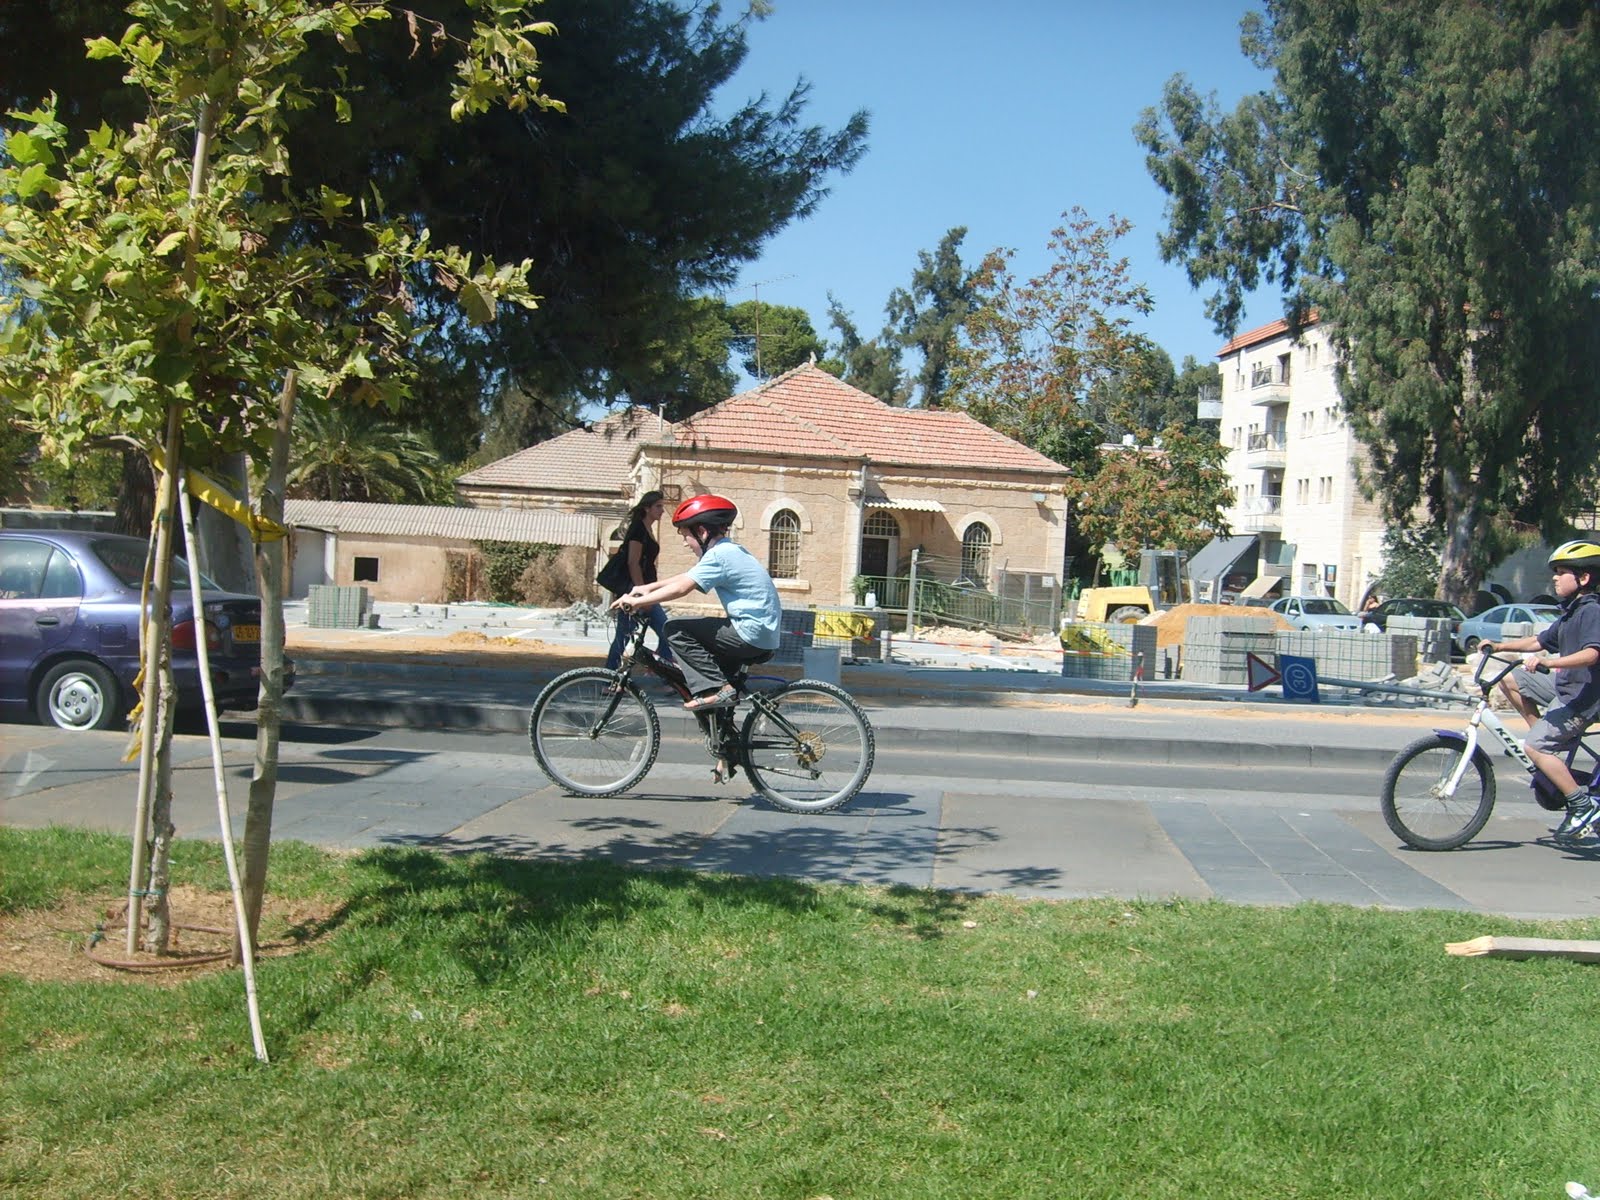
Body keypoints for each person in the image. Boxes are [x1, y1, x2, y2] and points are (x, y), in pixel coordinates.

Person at [611, 494, 781, 711]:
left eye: (685, 536)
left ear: (702, 532)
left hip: (749, 633)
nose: (684, 544)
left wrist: (639, 602)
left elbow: (682, 588)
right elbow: (687, 577)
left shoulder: (719, 555)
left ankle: (719, 689)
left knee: (675, 628)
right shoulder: (728, 550)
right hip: (761, 635)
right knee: (714, 695)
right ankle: (724, 732)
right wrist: (647, 588)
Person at [1483, 540, 1600, 843]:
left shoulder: (1592, 611)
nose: (1554, 578)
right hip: (1565, 688)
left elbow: (1592, 654)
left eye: (1561, 572)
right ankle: (1546, 741)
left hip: (1584, 698)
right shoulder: (1571, 612)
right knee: (1508, 678)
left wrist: (1551, 661)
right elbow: (1538, 641)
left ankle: (1581, 805)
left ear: (1584, 578)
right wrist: (1499, 646)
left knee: (1534, 747)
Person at [604, 491, 673, 670]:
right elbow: (633, 563)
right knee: (625, 637)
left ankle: (663, 672)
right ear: (647, 508)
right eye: (658, 506)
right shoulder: (638, 529)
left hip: (645, 592)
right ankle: (608, 680)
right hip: (637, 592)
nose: (662, 510)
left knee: (665, 633)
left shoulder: (647, 529)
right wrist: (641, 595)